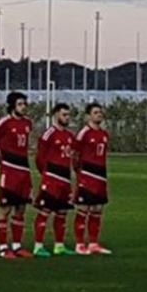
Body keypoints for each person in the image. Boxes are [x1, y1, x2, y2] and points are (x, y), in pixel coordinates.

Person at [0, 91, 33, 259]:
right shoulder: (3, 123)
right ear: (12, 106)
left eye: (25, 104)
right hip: (10, 171)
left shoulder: (28, 123)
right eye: (20, 104)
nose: (24, 107)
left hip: (24, 171)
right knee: (5, 209)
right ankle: (2, 248)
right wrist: (2, 162)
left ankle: (17, 245)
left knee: (21, 208)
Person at [32, 103, 76, 257]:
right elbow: (39, 158)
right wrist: (46, 175)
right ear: (56, 115)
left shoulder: (70, 136)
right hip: (52, 179)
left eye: (68, 115)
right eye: (64, 115)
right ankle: (38, 246)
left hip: (65, 180)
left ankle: (59, 245)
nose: (67, 118)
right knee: (45, 211)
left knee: (62, 212)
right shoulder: (49, 134)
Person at [72, 102, 112, 255]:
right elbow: (75, 155)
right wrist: (80, 173)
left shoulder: (104, 134)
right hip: (87, 176)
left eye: (100, 112)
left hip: (100, 176)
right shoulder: (84, 133)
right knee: (83, 209)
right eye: (95, 112)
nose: (99, 114)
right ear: (88, 116)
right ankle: (79, 244)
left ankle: (94, 243)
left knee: (97, 209)